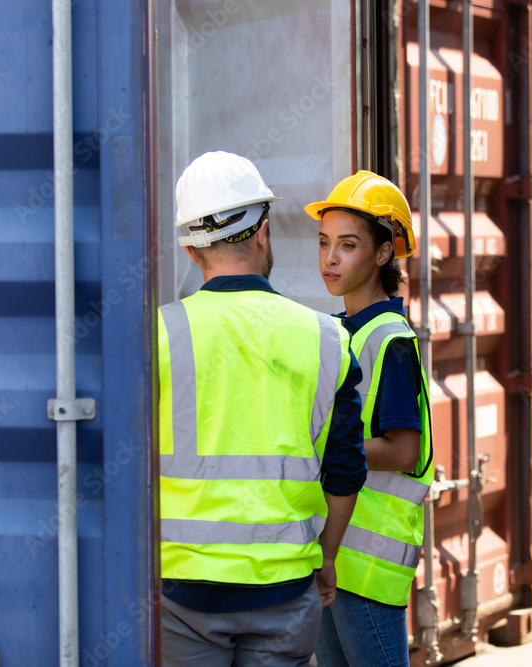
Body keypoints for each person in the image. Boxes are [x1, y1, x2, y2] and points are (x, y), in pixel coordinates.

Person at [157, 151, 367, 667]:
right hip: (285, 590)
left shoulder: (156, 335)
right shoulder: (327, 338)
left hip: (184, 592)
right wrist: (327, 556)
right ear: (264, 233)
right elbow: (346, 469)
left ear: (190, 248)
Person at [304, 171, 434, 667]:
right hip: (330, 554)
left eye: (348, 245)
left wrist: (318, 448)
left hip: (368, 566)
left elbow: (405, 451)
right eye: (324, 243)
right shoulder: (339, 333)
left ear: (382, 254)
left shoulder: (390, 339)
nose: (330, 259)